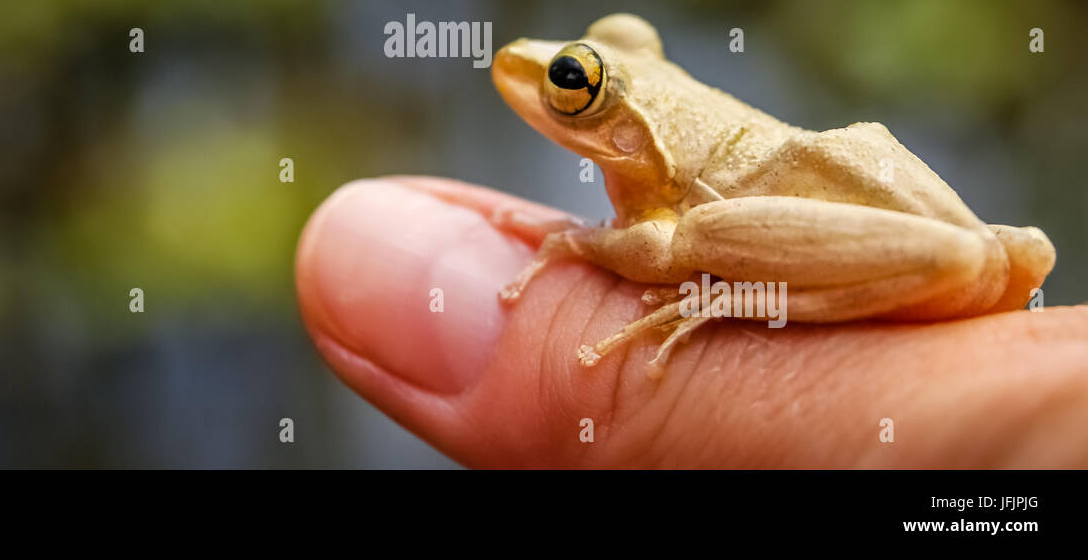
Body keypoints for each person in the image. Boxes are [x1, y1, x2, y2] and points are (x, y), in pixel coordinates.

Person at [295, 177, 1088, 468]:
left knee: (695, 243)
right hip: (976, 241)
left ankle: (737, 296)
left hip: (900, 246)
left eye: (574, 82)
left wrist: (582, 242)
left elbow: (659, 246)